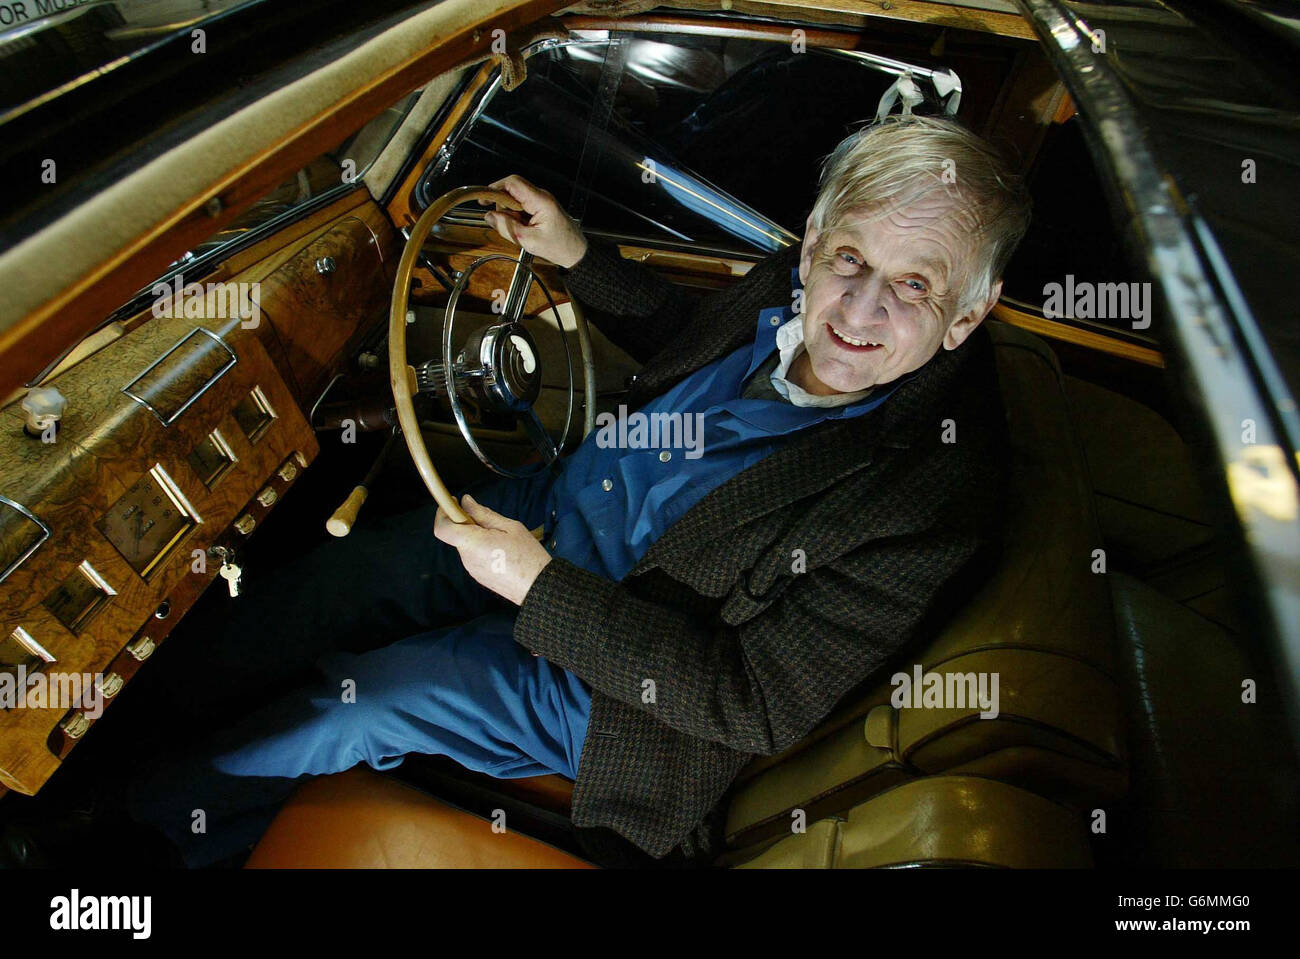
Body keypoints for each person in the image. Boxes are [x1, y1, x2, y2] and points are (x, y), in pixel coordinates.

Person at [126, 114, 1031, 867]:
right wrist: (575, 253)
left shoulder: (926, 500)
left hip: (617, 692)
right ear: (815, 244)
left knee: (361, 701)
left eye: (913, 286)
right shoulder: (785, 284)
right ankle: (132, 720)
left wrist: (537, 587)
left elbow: (750, 700)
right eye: (848, 260)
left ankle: (139, 836)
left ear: (968, 314)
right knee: (331, 588)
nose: (858, 310)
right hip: (549, 510)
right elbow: (686, 333)